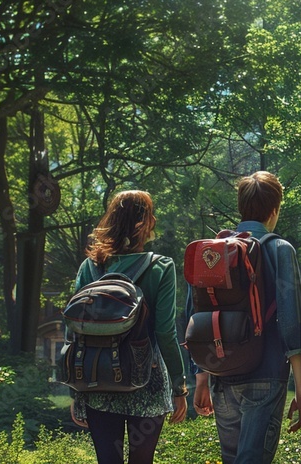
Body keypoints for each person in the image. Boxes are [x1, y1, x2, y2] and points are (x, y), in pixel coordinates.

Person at [190, 170, 301, 464]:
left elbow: (196, 315)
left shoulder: (212, 252)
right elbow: (292, 323)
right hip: (266, 373)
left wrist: (202, 378)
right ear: (275, 209)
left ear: (241, 207)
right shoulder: (281, 249)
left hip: (222, 374)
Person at [69, 190, 188, 463]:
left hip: (99, 381)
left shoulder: (89, 268)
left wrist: (77, 392)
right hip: (147, 379)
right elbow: (165, 332)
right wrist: (179, 387)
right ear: (146, 223)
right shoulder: (161, 267)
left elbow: (74, 333)